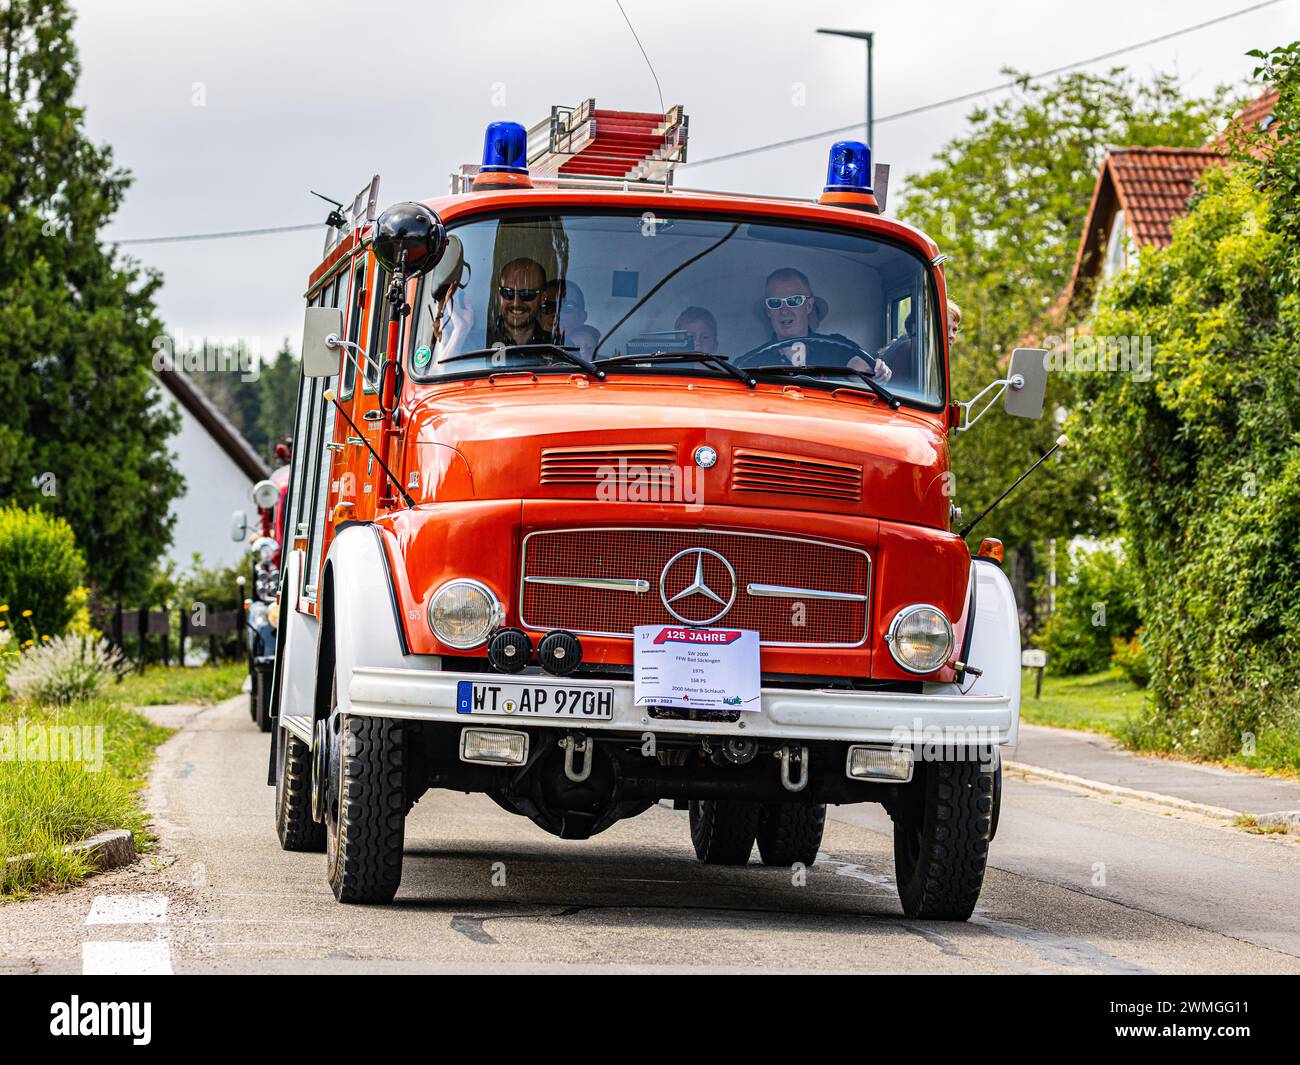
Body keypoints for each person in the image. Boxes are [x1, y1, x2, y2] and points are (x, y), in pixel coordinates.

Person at [737, 267, 892, 381]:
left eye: (794, 301)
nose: (784, 311)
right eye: (775, 303)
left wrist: (877, 373)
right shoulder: (749, 362)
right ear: (769, 311)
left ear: (809, 306)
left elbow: (861, 370)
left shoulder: (836, 347)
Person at [487, 257, 549, 346]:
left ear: (542, 298)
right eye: (508, 292)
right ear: (499, 295)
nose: (516, 303)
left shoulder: (556, 346)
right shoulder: (477, 343)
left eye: (526, 294)